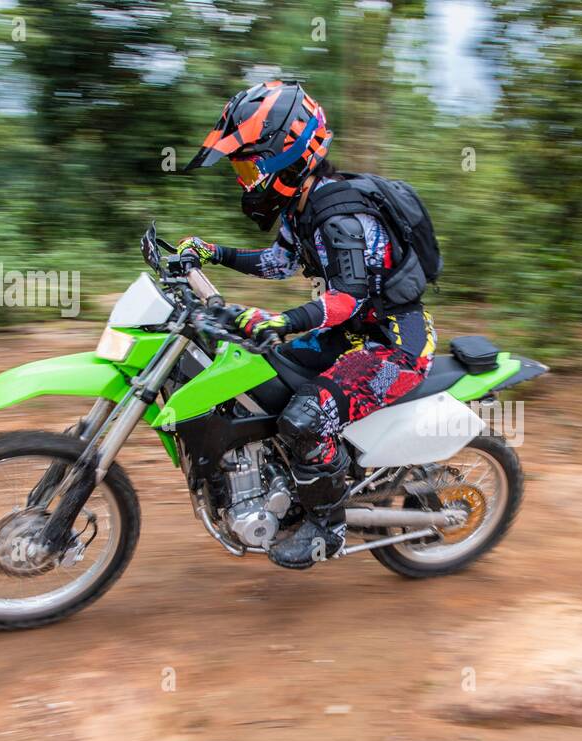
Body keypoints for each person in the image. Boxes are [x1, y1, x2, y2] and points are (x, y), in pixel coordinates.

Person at [178, 81, 436, 570]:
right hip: (352, 336)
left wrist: (282, 319)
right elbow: (279, 262)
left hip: (394, 346)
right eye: (240, 167)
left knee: (307, 417)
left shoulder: (340, 216)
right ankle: (288, 484)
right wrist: (213, 253)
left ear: (289, 155)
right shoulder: (303, 208)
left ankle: (328, 527)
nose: (244, 178)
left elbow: (348, 297)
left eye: (249, 165)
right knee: (264, 379)